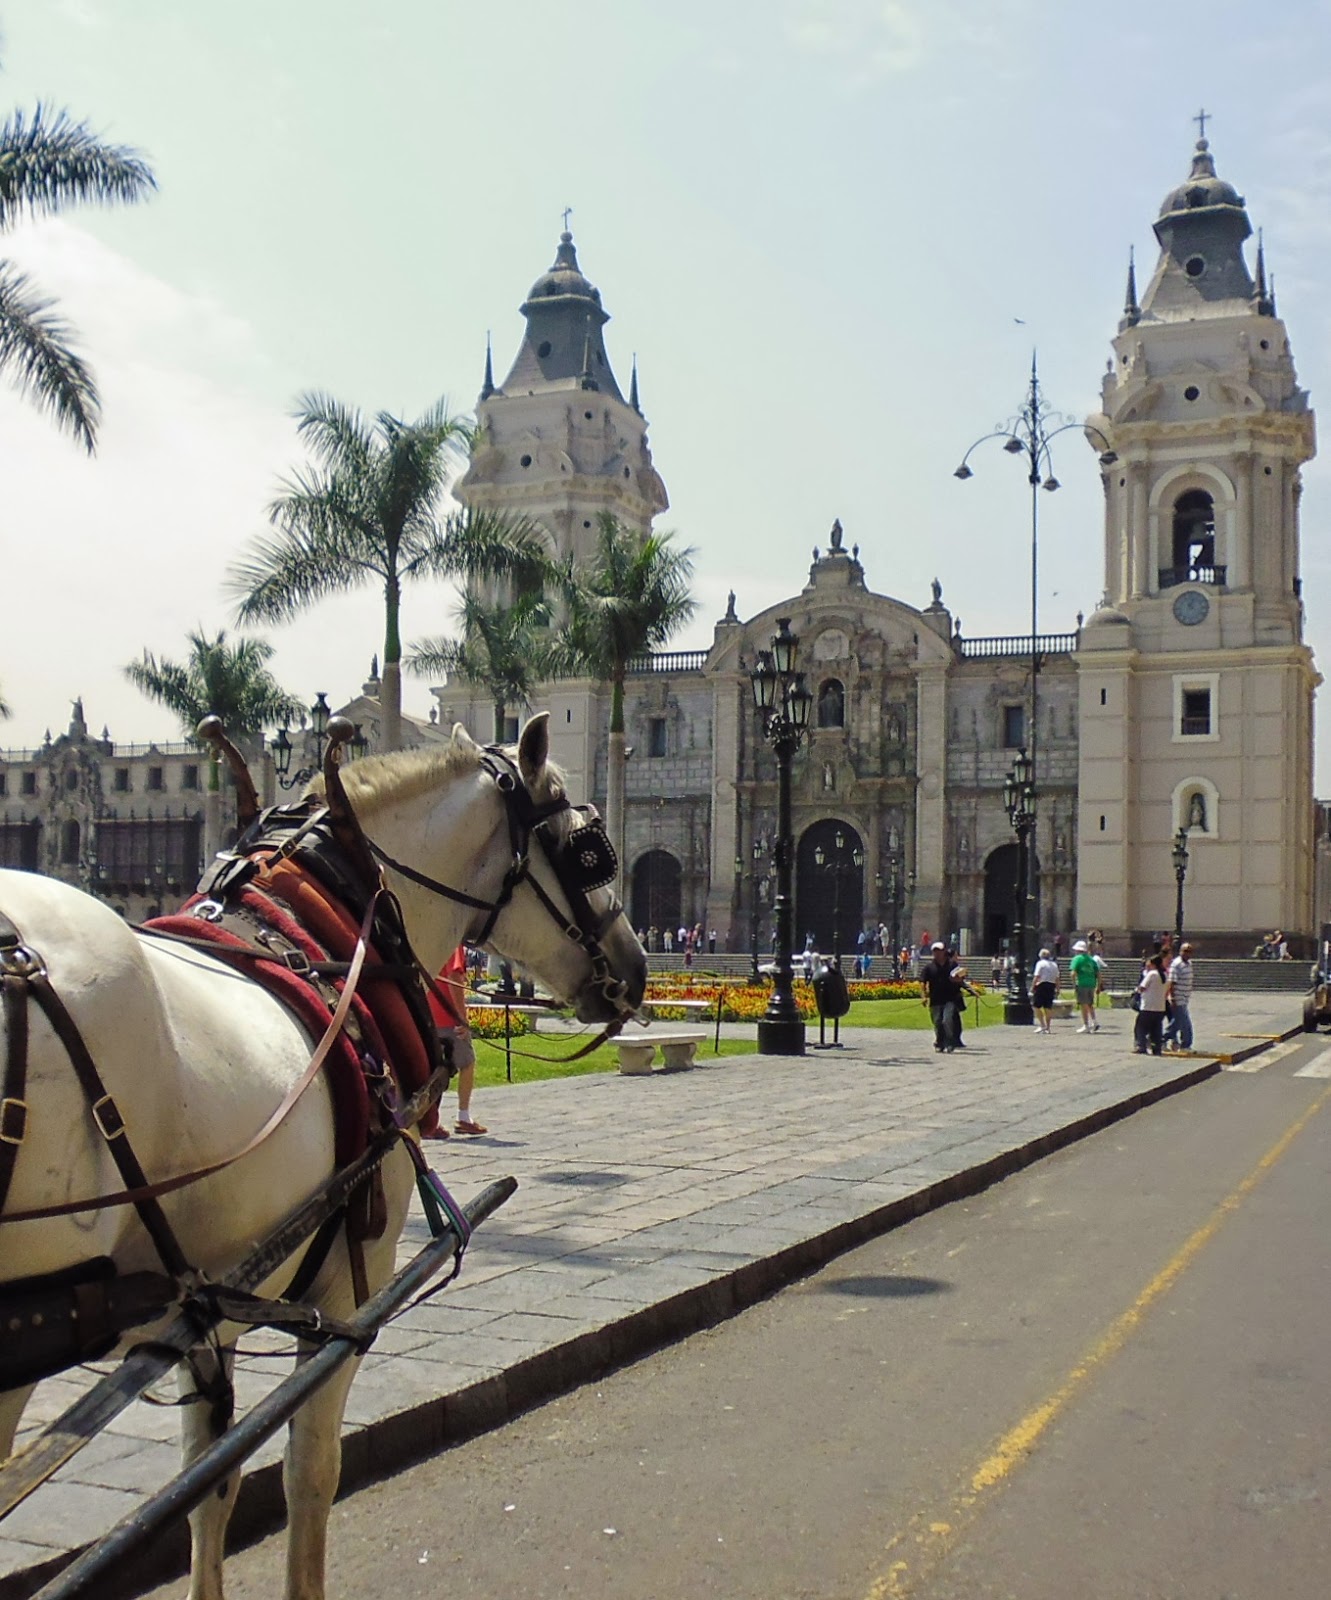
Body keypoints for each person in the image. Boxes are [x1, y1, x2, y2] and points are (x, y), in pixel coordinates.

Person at [427, 946, 487, 1137]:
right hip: (449, 1018)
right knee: (467, 1063)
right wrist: (461, 1016)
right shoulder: (452, 945)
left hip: (429, 1013)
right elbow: (455, 976)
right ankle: (463, 1117)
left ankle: (429, 1120)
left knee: (433, 1068)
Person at [920, 941, 962, 1053]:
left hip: (950, 998)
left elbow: (961, 978)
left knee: (947, 1020)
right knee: (937, 1022)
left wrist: (957, 979)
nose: (937, 954)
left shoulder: (952, 965)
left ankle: (950, 1041)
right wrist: (924, 996)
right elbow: (922, 982)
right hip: (935, 999)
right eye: (935, 951)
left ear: (944, 952)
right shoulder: (929, 967)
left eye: (939, 951)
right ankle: (940, 1041)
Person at [1163, 941, 1195, 1051]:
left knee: (1177, 1023)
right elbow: (1171, 982)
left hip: (1185, 998)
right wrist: (1172, 998)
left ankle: (1161, 1039)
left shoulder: (1189, 964)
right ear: (1180, 951)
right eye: (1185, 951)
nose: (1187, 953)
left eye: (1189, 951)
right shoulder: (1176, 964)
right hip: (1178, 998)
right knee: (1185, 1023)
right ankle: (1186, 1045)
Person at [1134, 952, 1168, 1056]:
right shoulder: (1164, 975)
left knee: (1140, 1027)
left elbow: (1142, 987)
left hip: (1148, 1006)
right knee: (1156, 1029)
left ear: (1153, 964)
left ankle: (1141, 1046)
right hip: (1160, 1007)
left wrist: (1136, 990)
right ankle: (1156, 1048)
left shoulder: (1152, 974)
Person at [1070, 939, 1100, 1033]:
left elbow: (1073, 973)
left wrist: (1074, 984)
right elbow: (1098, 973)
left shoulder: (1077, 959)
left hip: (1082, 983)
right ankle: (1094, 1021)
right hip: (1091, 983)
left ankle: (1086, 1025)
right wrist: (1098, 985)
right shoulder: (1091, 959)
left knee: (1083, 1004)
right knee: (1090, 1004)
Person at [1031, 947, 1060, 1035]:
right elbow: (1057, 978)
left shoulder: (1040, 964)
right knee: (1048, 1007)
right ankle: (1047, 1027)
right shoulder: (1054, 965)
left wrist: (1032, 987)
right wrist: (1058, 988)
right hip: (1051, 986)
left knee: (1036, 1006)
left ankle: (1042, 1024)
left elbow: (1036, 976)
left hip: (1042, 985)